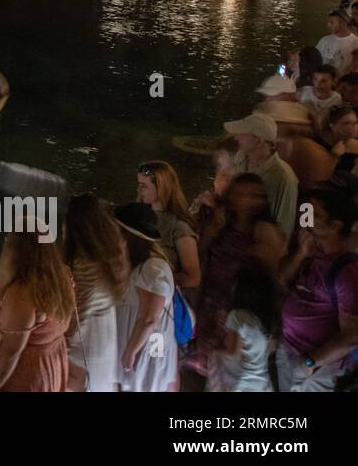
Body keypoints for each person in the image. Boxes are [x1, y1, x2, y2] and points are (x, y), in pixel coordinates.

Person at [189, 174, 285, 378]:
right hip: (211, 298)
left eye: (255, 196)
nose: (248, 200)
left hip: (238, 305)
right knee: (207, 360)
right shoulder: (222, 220)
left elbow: (273, 278)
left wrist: (273, 322)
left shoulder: (264, 231)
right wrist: (213, 228)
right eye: (241, 194)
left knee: (229, 366)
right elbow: (201, 252)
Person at [275, 187, 358, 391]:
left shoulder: (346, 273)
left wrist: (310, 363)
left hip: (316, 370)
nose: (305, 216)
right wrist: (301, 254)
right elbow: (281, 278)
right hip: (290, 351)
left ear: (335, 225)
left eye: (314, 213)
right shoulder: (312, 251)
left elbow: (351, 336)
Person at [0, 228, 73, 392]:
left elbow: (10, 352)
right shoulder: (61, 277)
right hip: (48, 366)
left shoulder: (22, 293)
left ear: (14, 250)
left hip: (23, 377)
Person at [62, 195, 128, 392]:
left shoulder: (86, 265)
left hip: (87, 344)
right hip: (104, 334)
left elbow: (78, 311)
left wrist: (60, 341)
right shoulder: (110, 256)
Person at [113, 202, 177, 393]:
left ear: (127, 235)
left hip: (148, 348)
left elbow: (150, 318)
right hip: (137, 344)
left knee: (144, 384)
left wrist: (131, 351)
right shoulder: (137, 264)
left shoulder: (153, 268)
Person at [224, 113, 298, 242]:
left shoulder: (283, 175)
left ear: (258, 140)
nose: (236, 137)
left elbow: (284, 222)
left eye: (242, 133)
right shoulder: (240, 158)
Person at [207, 267, 276, 392]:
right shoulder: (263, 323)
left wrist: (214, 351)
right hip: (261, 384)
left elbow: (233, 352)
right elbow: (269, 350)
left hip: (242, 382)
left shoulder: (237, 315)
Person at [136, 161, 201, 290]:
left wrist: (155, 279)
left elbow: (193, 278)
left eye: (144, 186)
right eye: (138, 184)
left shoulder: (179, 227)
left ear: (160, 187)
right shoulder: (137, 217)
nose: (138, 190)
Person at [300, 65, 343, 130]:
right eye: (315, 79)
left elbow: (333, 121)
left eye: (323, 81)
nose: (318, 84)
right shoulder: (305, 91)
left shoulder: (336, 98)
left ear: (333, 81)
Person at [317, 11, 357, 79]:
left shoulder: (356, 43)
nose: (328, 25)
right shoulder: (324, 40)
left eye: (331, 22)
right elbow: (315, 60)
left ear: (342, 24)